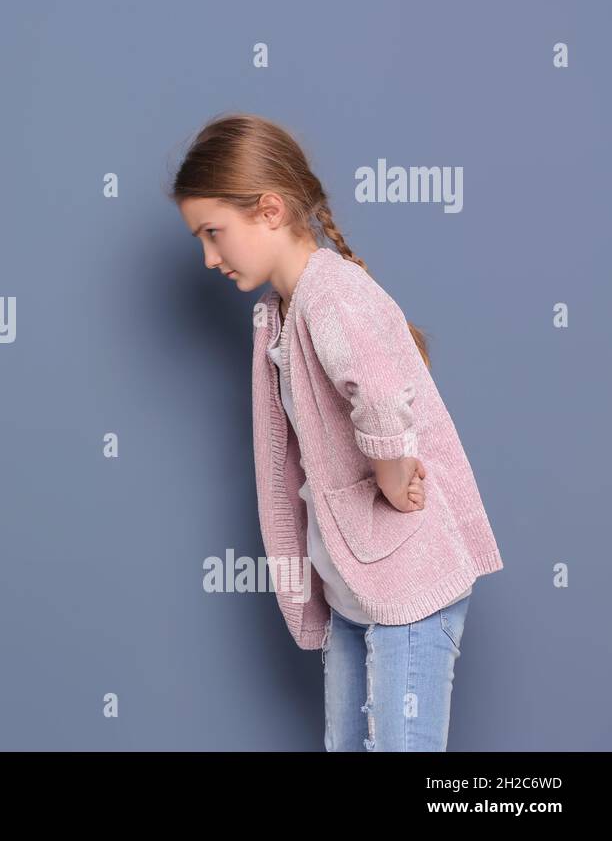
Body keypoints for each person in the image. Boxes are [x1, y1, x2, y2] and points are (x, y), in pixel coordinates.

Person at [173, 113, 503, 751]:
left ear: (269, 209)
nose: (209, 257)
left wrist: (392, 475)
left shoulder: (330, 294)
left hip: (405, 585)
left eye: (214, 233)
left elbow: (380, 396)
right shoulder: (283, 311)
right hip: (353, 586)